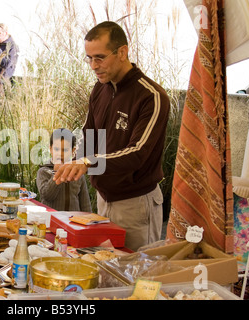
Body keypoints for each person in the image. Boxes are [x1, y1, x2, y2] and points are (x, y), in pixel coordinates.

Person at [53, 21, 170, 251]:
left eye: (100, 57)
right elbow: (89, 135)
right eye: (89, 58)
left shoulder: (152, 96)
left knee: (136, 275)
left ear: (122, 52)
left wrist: (88, 162)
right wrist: (74, 163)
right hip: (104, 200)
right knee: (106, 273)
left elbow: (138, 153)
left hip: (135, 204)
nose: (93, 66)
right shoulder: (99, 89)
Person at [37, 129, 92, 212]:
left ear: (73, 151)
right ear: (50, 149)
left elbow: (85, 203)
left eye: (65, 150)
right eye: (56, 149)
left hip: (73, 220)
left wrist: (89, 219)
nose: (60, 154)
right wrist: (56, 174)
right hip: (52, 219)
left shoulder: (77, 173)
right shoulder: (43, 171)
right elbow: (47, 196)